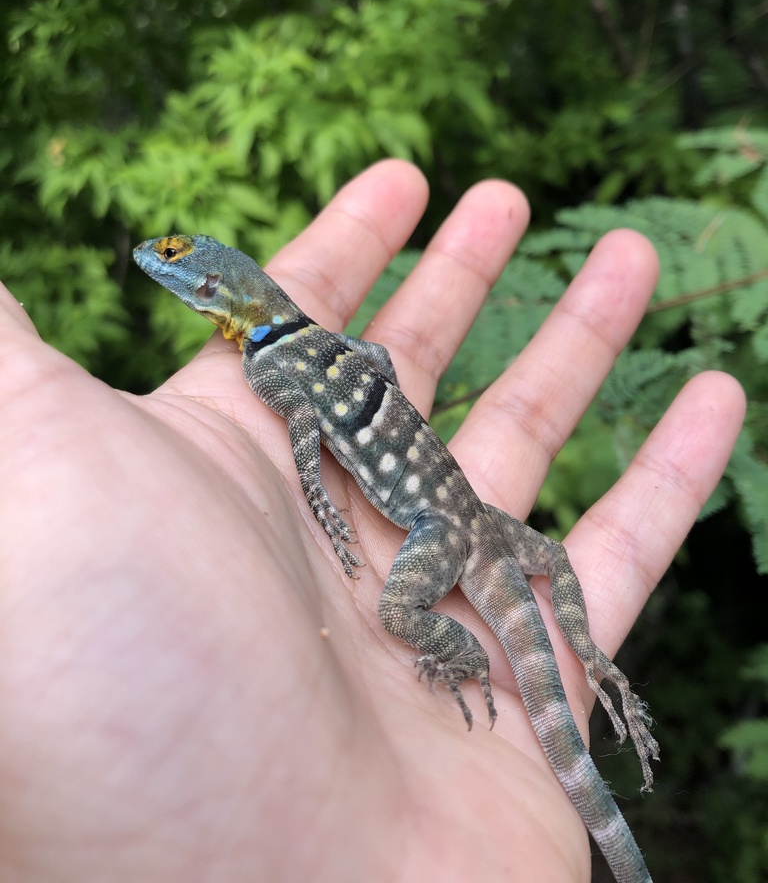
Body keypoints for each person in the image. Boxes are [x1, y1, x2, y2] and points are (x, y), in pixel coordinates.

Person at [0, 161, 744, 882]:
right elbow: (379, 358)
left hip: (448, 531)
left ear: (209, 288)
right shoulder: (313, 344)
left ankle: (466, 655)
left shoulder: (268, 368)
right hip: (473, 516)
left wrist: (318, 499)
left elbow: (303, 429)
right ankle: (595, 662)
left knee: (396, 607)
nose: (155, 260)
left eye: (170, 254)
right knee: (555, 555)